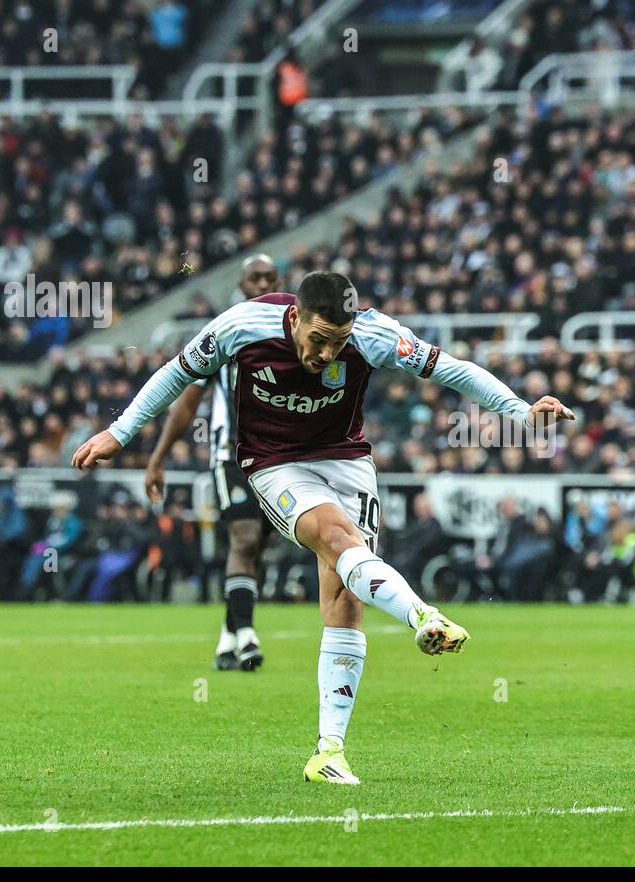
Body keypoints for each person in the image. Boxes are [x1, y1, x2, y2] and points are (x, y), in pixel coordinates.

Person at [72, 271, 574, 783]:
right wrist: (120, 432)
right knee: (337, 539)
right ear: (295, 318)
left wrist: (521, 410)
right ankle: (422, 617)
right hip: (274, 464)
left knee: (345, 601)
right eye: (318, 341)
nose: (326, 356)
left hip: (347, 461)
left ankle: (329, 752)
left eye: (338, 344)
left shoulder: (373, 334)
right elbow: (176, 374)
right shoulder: (244, 324)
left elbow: (453, 370)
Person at [145, 254, 281, 671]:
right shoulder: (223, 332)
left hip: (279, 457)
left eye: (268, 277)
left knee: (259, 547)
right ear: (240, 284)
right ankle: (246, 634)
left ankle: (227, 638)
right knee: (243, 538)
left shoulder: (291, 328)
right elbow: (187, 402)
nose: (261, 283)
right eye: (253, 277)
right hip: (232, 454)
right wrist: (158, 458)